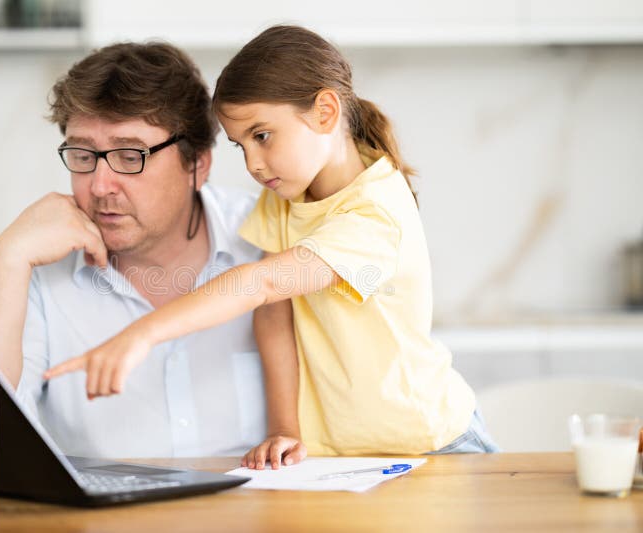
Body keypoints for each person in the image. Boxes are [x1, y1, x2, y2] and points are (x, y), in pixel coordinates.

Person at [45, 25, 498, 466]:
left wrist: (142, 333)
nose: (253, 165)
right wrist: (285, 430)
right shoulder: (288, 196)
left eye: (262, 137)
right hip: (347, 458)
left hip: (430, 445)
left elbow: (259, 285)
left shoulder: (374, 213)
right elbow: (273, 311)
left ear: (325, 112)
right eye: (241, 146)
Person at [0, 42, 268, 458]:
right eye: (83, 155)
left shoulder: (267, 243)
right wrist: (7, 253)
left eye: (129, 155)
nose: (99, 186)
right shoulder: (36, 270)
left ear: (198, 165)